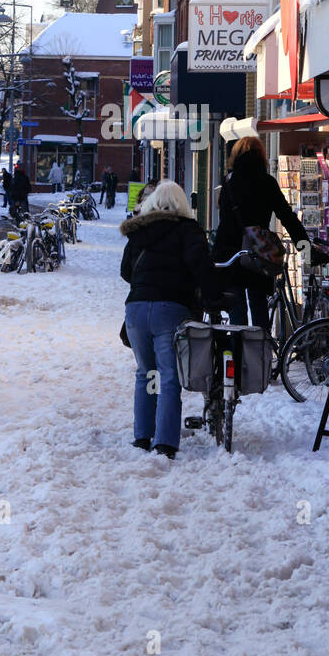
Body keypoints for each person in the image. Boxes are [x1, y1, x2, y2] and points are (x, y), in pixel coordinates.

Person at [120, 180, 220, 459]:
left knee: (147, 372)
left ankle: (143, 436)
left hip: (137, 310)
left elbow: (126, 271)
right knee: (168, 376)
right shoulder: (188, 230)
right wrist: (214, 297)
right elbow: (201, 266)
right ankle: (164, 443)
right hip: (170, 309)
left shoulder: (139, 232)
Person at [212, 135, 310, 329]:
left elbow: (224, 217)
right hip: (258, 251)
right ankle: (259, 352)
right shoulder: (267, 182)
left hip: (231, 252)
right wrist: (305, 247)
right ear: (261, 155)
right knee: (259, 308)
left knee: (236, 309)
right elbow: (287, 217)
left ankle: (237, 352)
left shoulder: (229, 182)